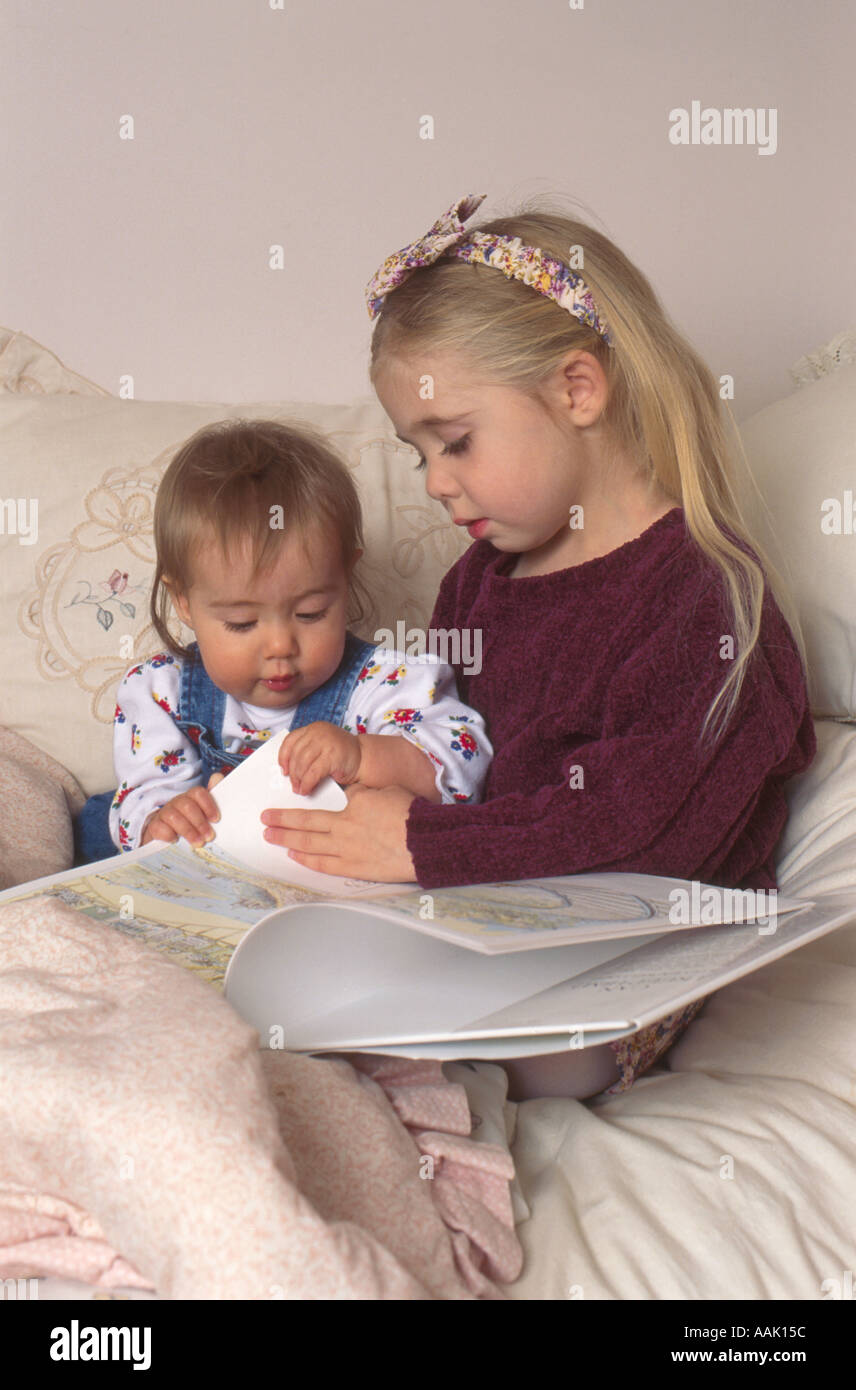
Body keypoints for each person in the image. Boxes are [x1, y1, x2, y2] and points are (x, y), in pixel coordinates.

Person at [260, 193, 816, 1101]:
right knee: (289, 988)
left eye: (457, 442)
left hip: (626, 950)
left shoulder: (704, 599)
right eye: (420, 455)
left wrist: (422, 845)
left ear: (577, 390)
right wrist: (389, 774)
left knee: (514, 1055)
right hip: (484, 908)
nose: (437, 483)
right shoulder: (478, 582)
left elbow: (643, 836)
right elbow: (457, 747)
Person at [76, 417, 491, 860]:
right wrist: (163, 820)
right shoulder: (162, 691)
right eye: (241, 623)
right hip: (208, 876)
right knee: (94, 824)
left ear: (345, 579)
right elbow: (141, 798)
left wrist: (362, 756)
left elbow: (462, 770)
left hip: (323, 877)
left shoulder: (383, 683)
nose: (280, 647)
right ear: (183, 601)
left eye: (310, 614)